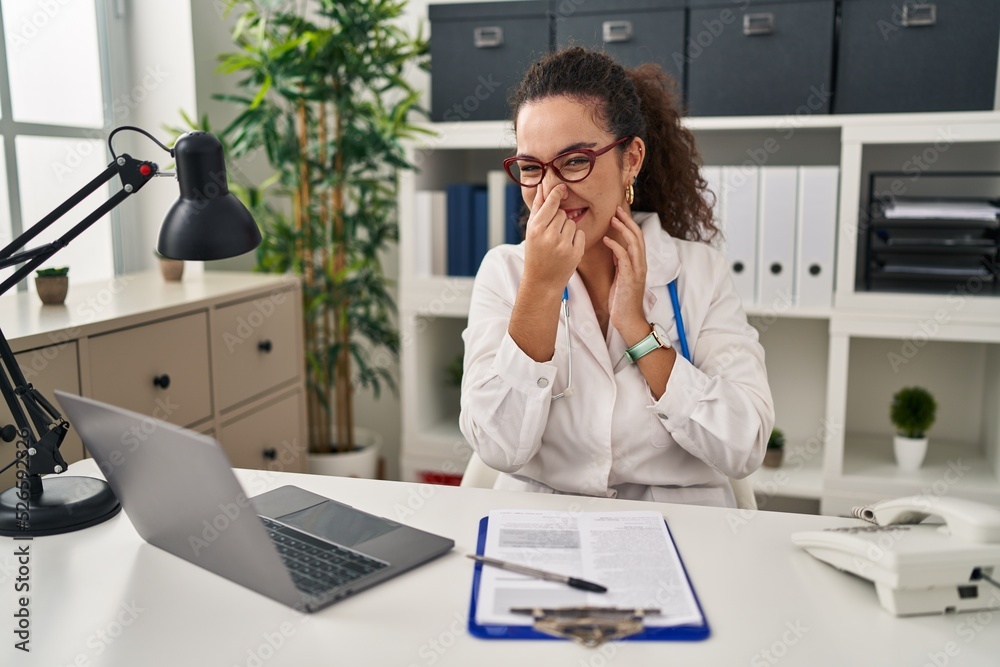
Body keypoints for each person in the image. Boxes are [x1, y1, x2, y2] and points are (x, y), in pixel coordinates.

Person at [458, 47, 774, 507]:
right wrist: (541, 289)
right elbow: (498, 447)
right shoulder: (506, 273)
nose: (551, 191)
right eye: (531, 168)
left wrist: (638, 331)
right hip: (543, 521)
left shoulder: (700, 273)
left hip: (681, 525)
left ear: (630, 160)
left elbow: (745, 444)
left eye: (574, 161)